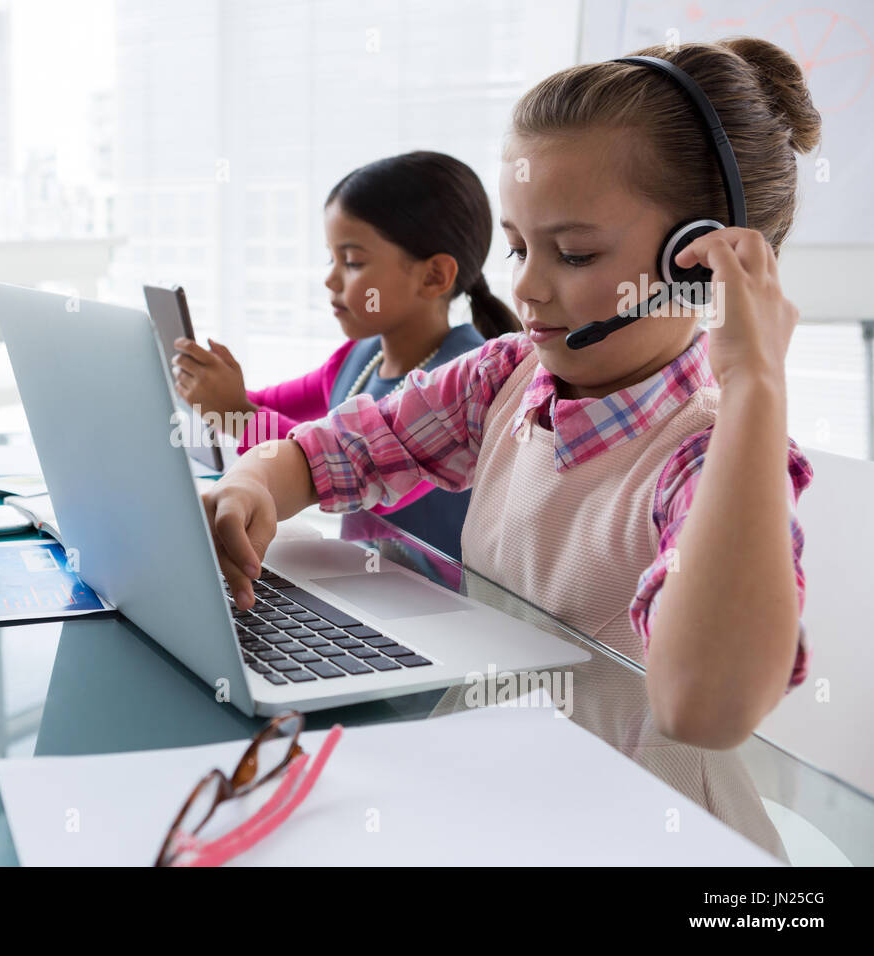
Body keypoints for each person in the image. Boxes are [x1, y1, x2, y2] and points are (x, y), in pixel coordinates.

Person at [202, 37, 820, 751]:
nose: (525, 286)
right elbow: (332, 452)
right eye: (519, 247)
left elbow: (703, 708)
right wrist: (251, 483)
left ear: (699, 264)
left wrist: (756, 388)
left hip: (629, 800)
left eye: (575, 254)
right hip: (490, 763)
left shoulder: (712, 456)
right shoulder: (503, 376)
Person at [172, 152, 518, 559]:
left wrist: (237, 413)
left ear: (433, 276)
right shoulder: (360, 357)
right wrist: (204, 388)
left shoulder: (466, 387)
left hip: (427, 591)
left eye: (352, 262)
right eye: (331, 258)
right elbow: (267, 408)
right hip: (355, 579)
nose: (330, 279)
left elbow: (365, 477)